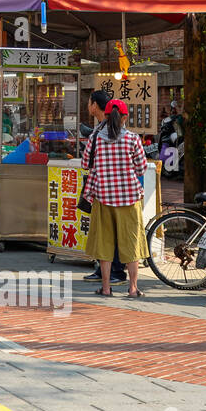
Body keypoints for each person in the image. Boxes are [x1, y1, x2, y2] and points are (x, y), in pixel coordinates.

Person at [81, 98, 147, 298]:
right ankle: (133, 289)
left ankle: (107, 288)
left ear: (106, 117)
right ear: (125, 117)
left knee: (104, 244)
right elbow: (142, 168)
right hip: (129, 197)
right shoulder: (133, 139)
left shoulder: (95, 138)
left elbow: (86, 164)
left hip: (103, 196)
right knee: (131, 242)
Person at [82, 89, 128, 285]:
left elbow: (87, 163)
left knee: (110, 233)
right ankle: (106, 271)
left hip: (105, 191)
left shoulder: (100, 134)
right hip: (123, 192)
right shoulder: (126, 135)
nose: (88, 106)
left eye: (89, 102)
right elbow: (139, 165)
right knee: (111, 233)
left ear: (95, 105)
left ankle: (116, 272)